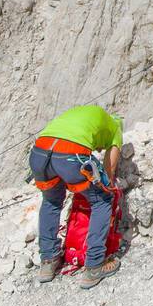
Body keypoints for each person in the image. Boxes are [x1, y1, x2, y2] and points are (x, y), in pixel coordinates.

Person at [28, 104, 123, 289]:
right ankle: (95, 265)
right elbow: (109, 170)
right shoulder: (115, 128)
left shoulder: (82, 114)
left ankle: (48, 261)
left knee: (51, 201)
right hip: (70, 154)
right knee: (102, 200)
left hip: (39, 152)